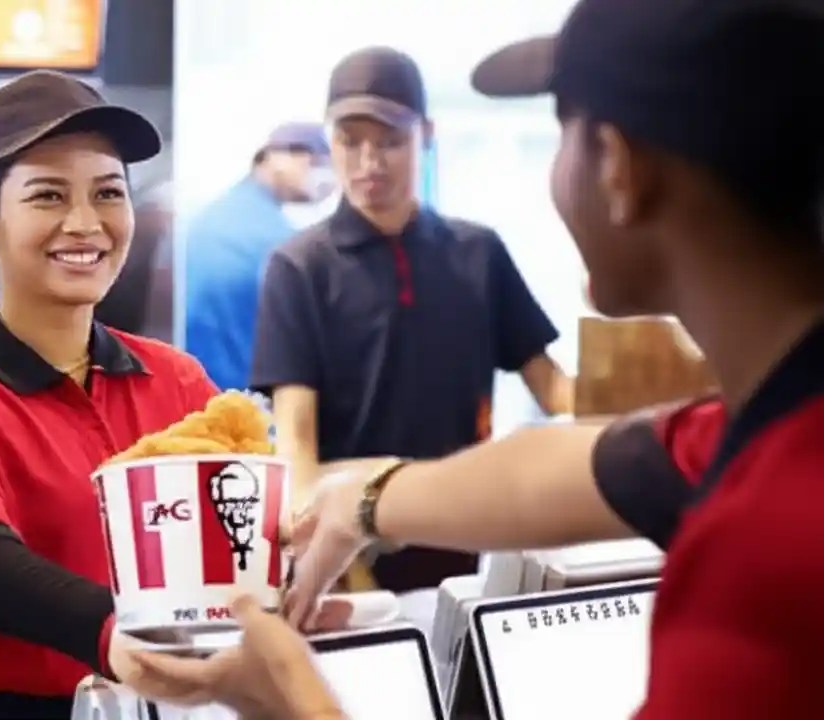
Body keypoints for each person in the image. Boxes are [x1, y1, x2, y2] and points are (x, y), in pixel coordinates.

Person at [129, 0, 824, 717]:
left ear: (618, 166)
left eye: (562, 131)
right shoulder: (737, 443)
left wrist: (290, 700)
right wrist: (364, 505)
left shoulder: (756, 569)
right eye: (349, 139)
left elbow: (562, 401)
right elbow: (590, 464)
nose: (369, 162)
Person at [0, 70, 222, 719]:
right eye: (48, 196)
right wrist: (117, 636)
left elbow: (225, 552)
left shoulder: (177, 380)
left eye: (108, 193)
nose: (85, 224)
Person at [250, 47, 572, 596]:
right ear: (331, 140)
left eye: (390, 141)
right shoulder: (300, 267)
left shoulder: (478, 253)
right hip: (352, 559)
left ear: (426, 133)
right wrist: (329, 562)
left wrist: (655, 399)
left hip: (461, 539)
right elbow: (295, 444)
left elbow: (554, 389)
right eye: (351, 142)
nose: (369, 163)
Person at [184, 122, 332, 391]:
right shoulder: (276, 238)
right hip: (241, 398)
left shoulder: (216, 214)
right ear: (274, 157)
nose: (325, 178)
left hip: (199, 390)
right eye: (316, 163)